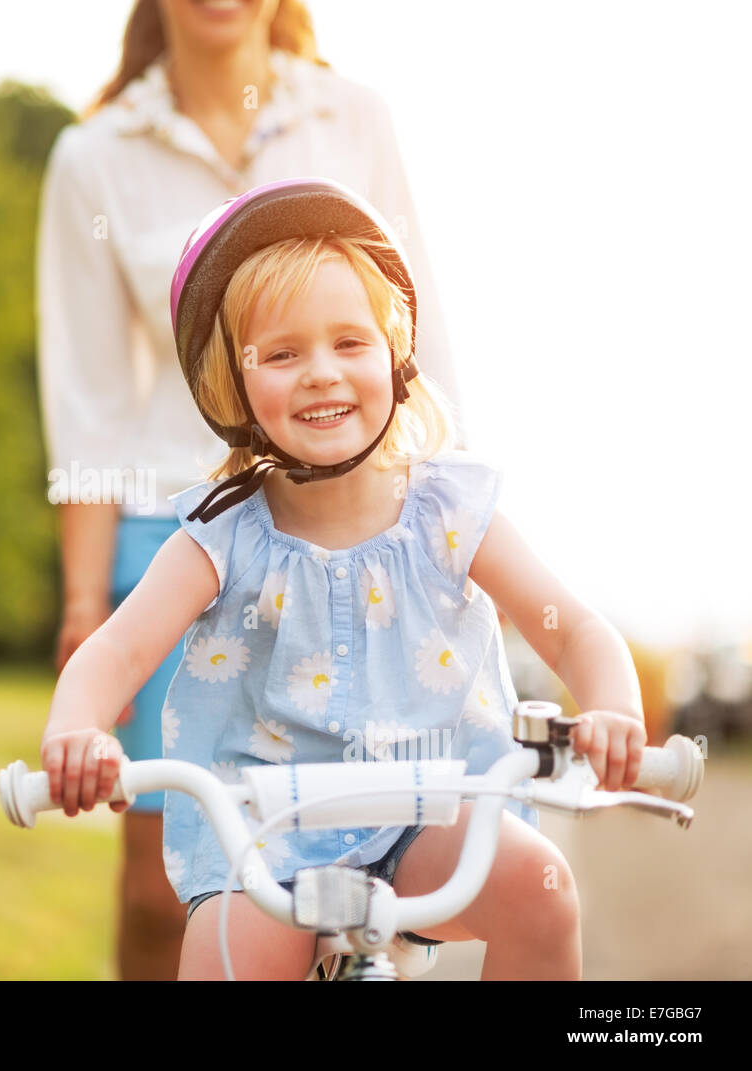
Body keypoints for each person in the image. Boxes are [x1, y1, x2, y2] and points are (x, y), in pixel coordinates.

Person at [40, 177, 648, 980]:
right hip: (267, 831)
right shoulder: (219, 535)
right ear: (234, 384)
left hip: (432, 812)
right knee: (224, 958)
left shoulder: (451, 512)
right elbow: (116, 652)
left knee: (542, 891)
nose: (321, 372)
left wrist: (612, 709)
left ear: (395, 357)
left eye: (349, 343)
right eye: (283, 353)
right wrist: (76, 730)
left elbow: (572, 627)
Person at [36, 0, 464, 981]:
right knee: (166, 886)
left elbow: (419, 333)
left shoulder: (352, 116)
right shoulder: (94, 155)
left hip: (357, 524)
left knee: (377, 861)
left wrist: (444, 525)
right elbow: (88, 401)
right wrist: (79, 598)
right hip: (175, 530)